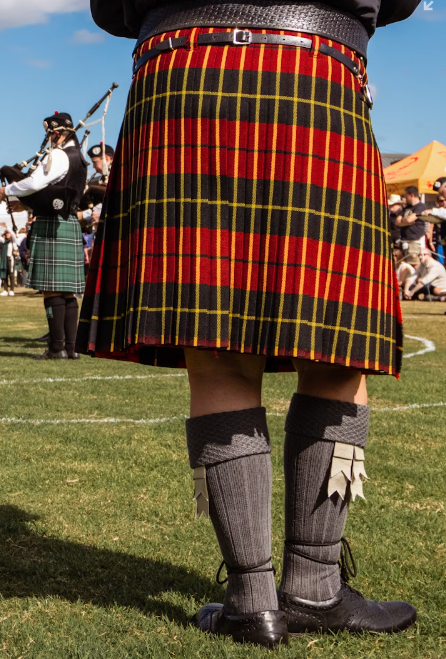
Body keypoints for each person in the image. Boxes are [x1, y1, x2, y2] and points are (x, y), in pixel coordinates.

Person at [83, 0, 418, 647]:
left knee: (217, 350)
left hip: (183, 72)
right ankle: (313, 586)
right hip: (312, 69)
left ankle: (251, 600)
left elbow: (110, 6)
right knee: (336, 345)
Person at [0, 111, 88, 360]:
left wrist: (8, 189)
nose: (48, 140)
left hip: (52, 226)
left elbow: (35, 183)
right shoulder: (79, 157)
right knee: (68, 292)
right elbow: (55, 195)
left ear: (56, 133)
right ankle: (71, 348)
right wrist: (25, 205)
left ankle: (56, 348)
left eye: (50, 135)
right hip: (68, 223)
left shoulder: (59, 155)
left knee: (51, 289)